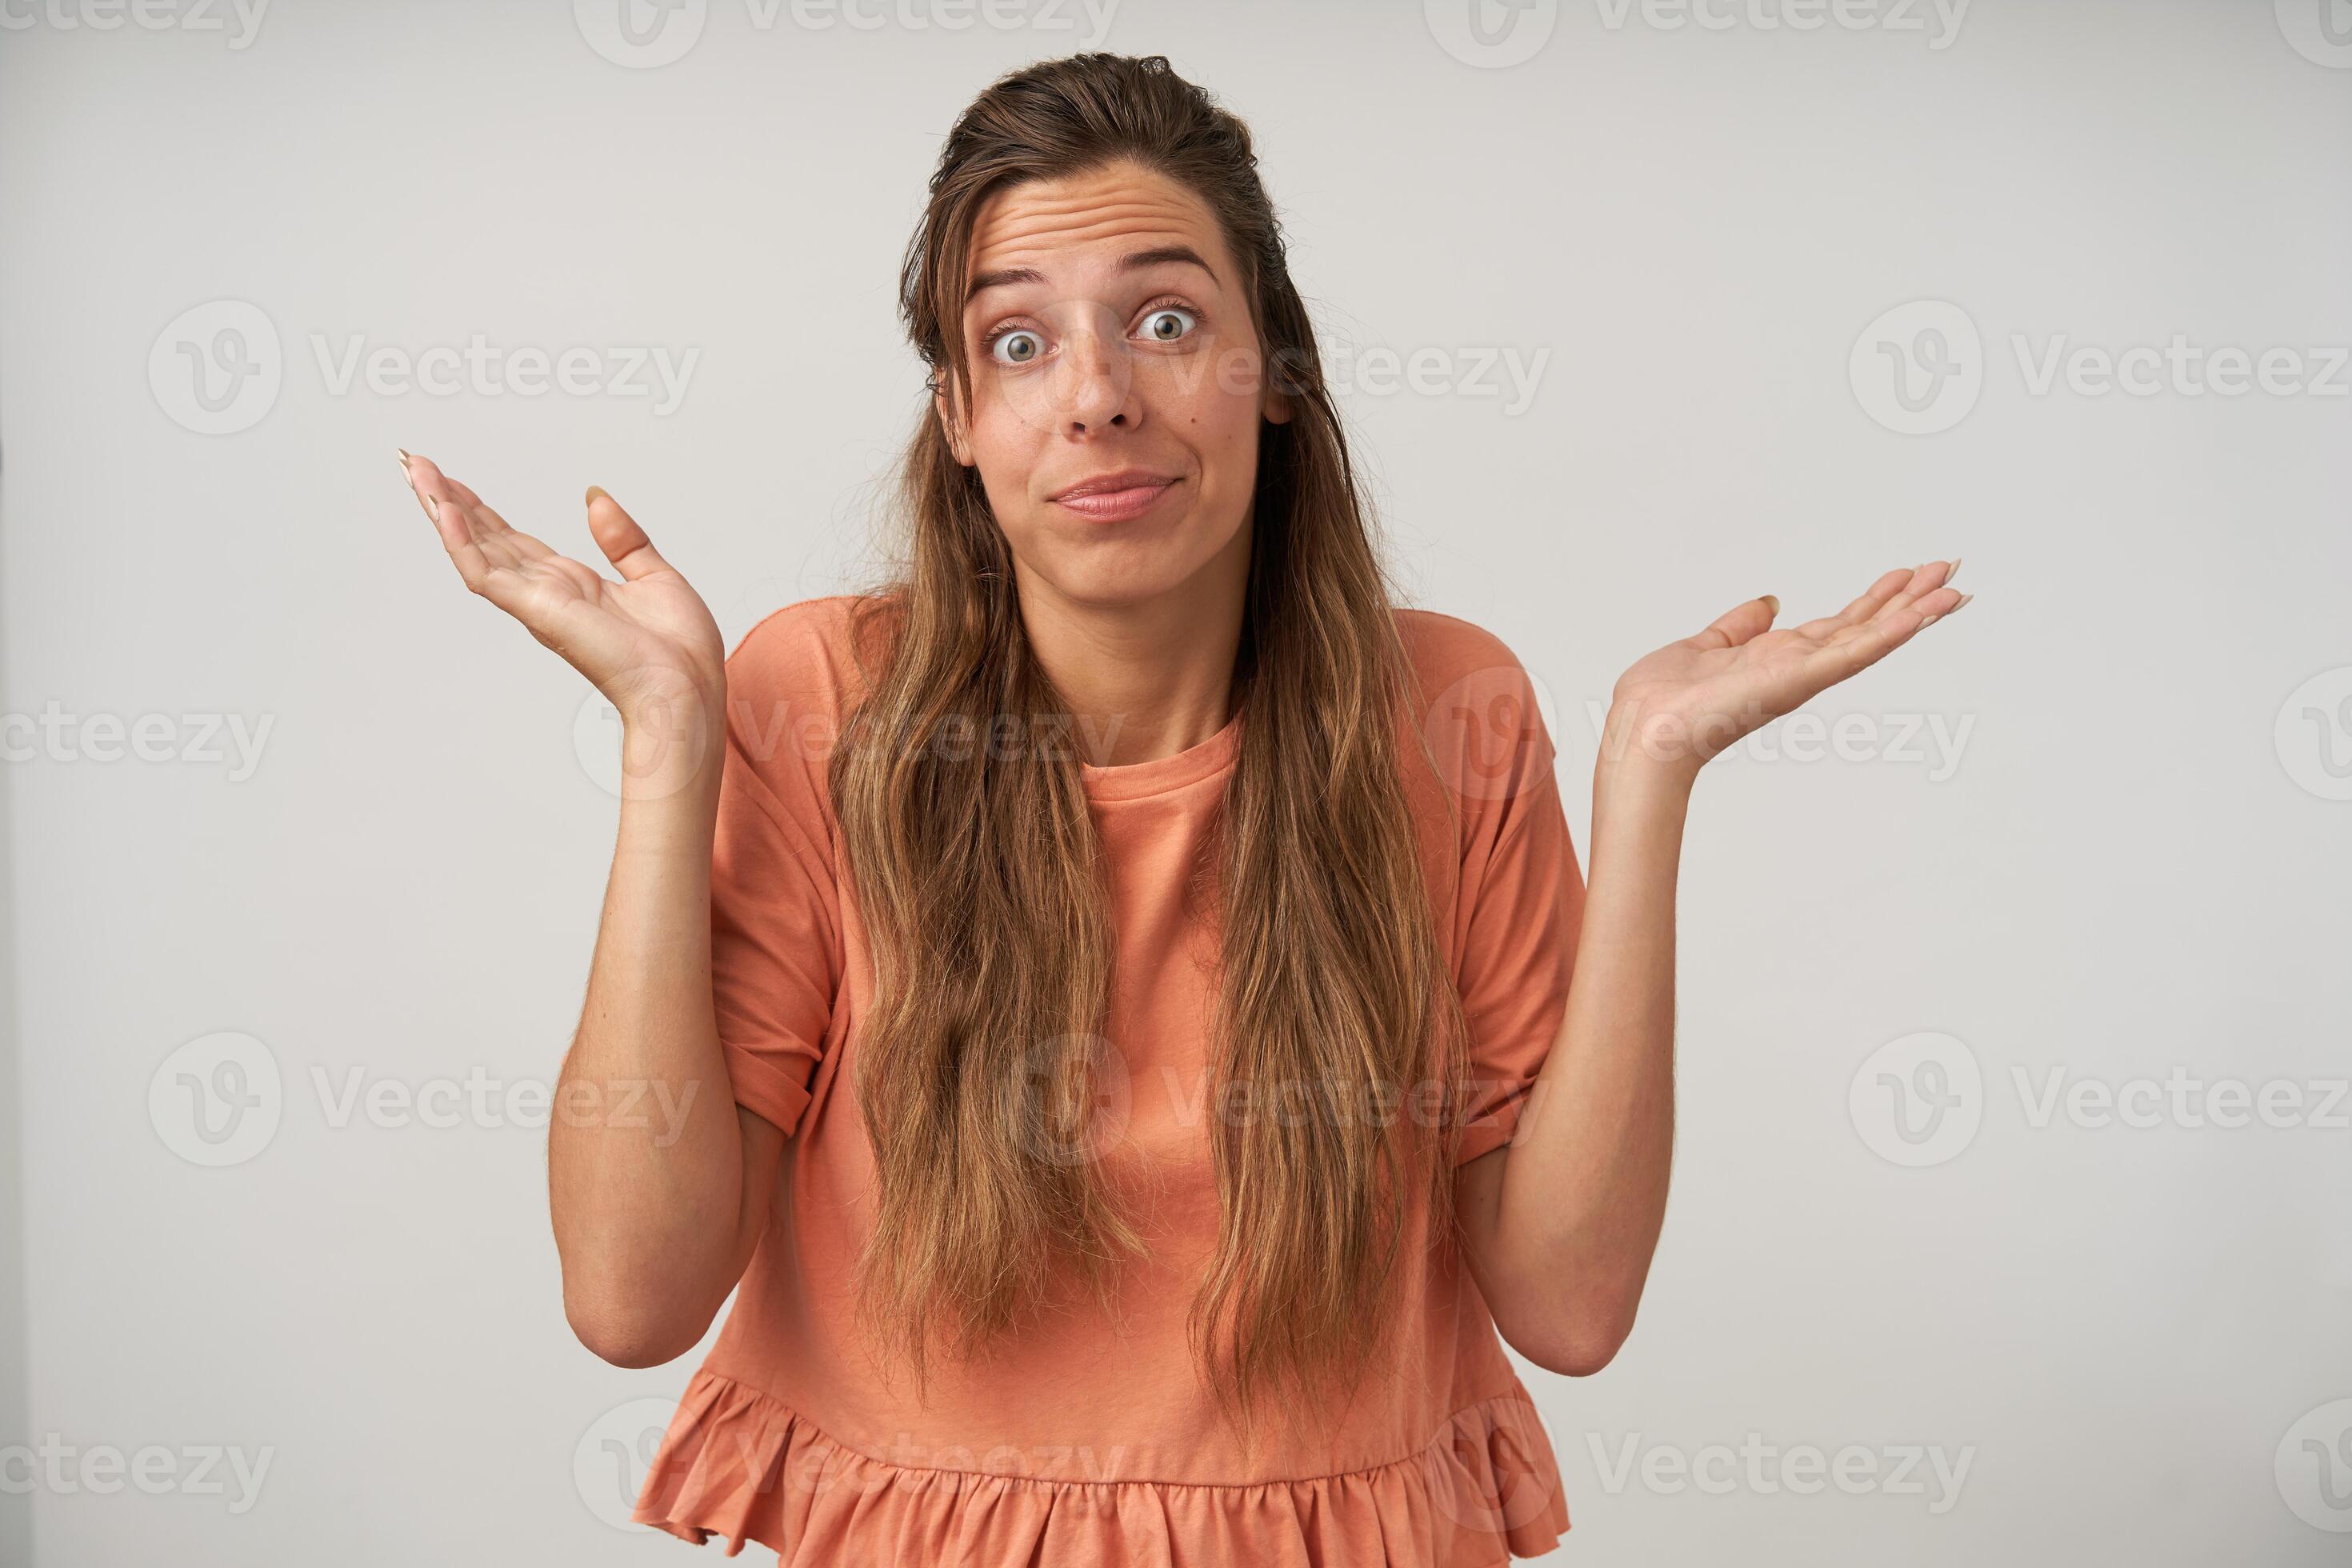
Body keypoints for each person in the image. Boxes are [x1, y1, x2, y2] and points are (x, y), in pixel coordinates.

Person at [397, 51, 1967, 1568]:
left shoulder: (1449, 717)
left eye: (1164, 319)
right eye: (1017, 343)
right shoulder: (818, 699)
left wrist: (1649, 771)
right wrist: (672, 737)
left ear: (1275, 376)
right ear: (955, 414)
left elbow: (1568, 1304)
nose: (1097, 397)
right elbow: (630, 1293)